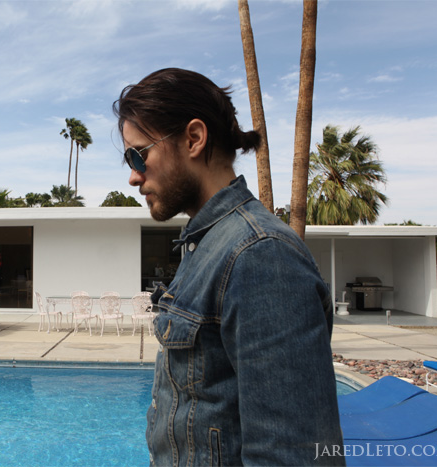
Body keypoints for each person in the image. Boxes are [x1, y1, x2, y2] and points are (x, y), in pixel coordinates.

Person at [113, 68, 344, 466]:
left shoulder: (260, 256)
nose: (133, 176)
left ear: (194, 139)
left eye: (139, 154)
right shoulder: (206, 246)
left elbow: (291, 454)